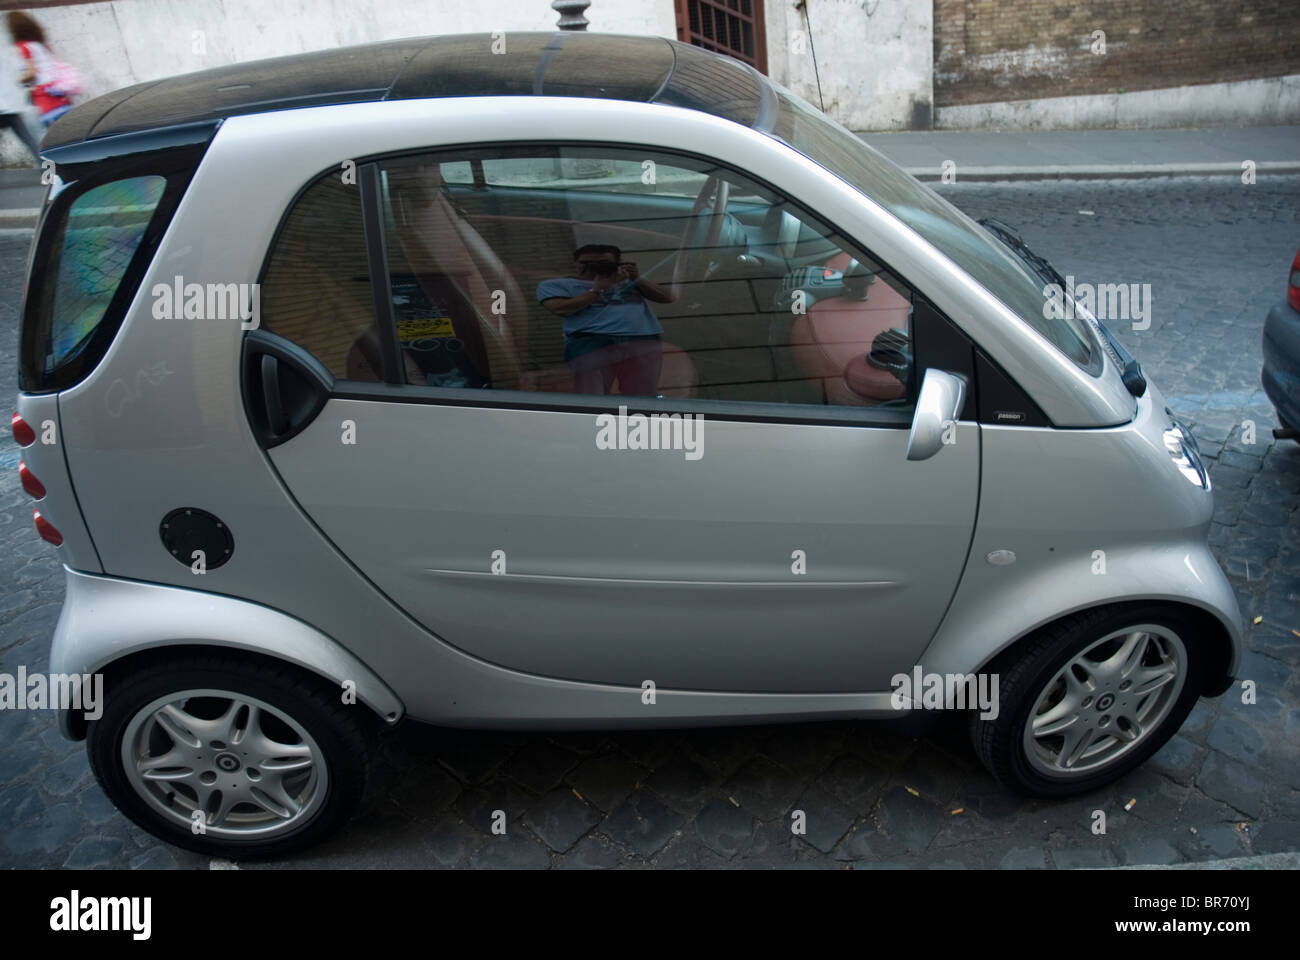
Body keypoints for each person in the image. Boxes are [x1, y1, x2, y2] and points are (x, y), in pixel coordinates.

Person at [538, 244, 677, 396]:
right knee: (591, 395)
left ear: (618, 264)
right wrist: (597, 290)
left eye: (602, 264)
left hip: (641, 339)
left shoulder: (629, 282)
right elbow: (561, 308)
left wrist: (637, 278)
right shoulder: (556, 285)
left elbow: (668, 297)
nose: (593, 267)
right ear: (575, 263)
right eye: (586, 263)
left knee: (643, 395)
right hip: (592, 340)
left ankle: (636, 419)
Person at [7, 11, 75, 128]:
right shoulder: (39, 43)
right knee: (71, 129)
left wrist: (18, 81)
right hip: (58, 90)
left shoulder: (23, 46)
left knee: (56, 135)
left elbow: (32, 72)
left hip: (45, 95)